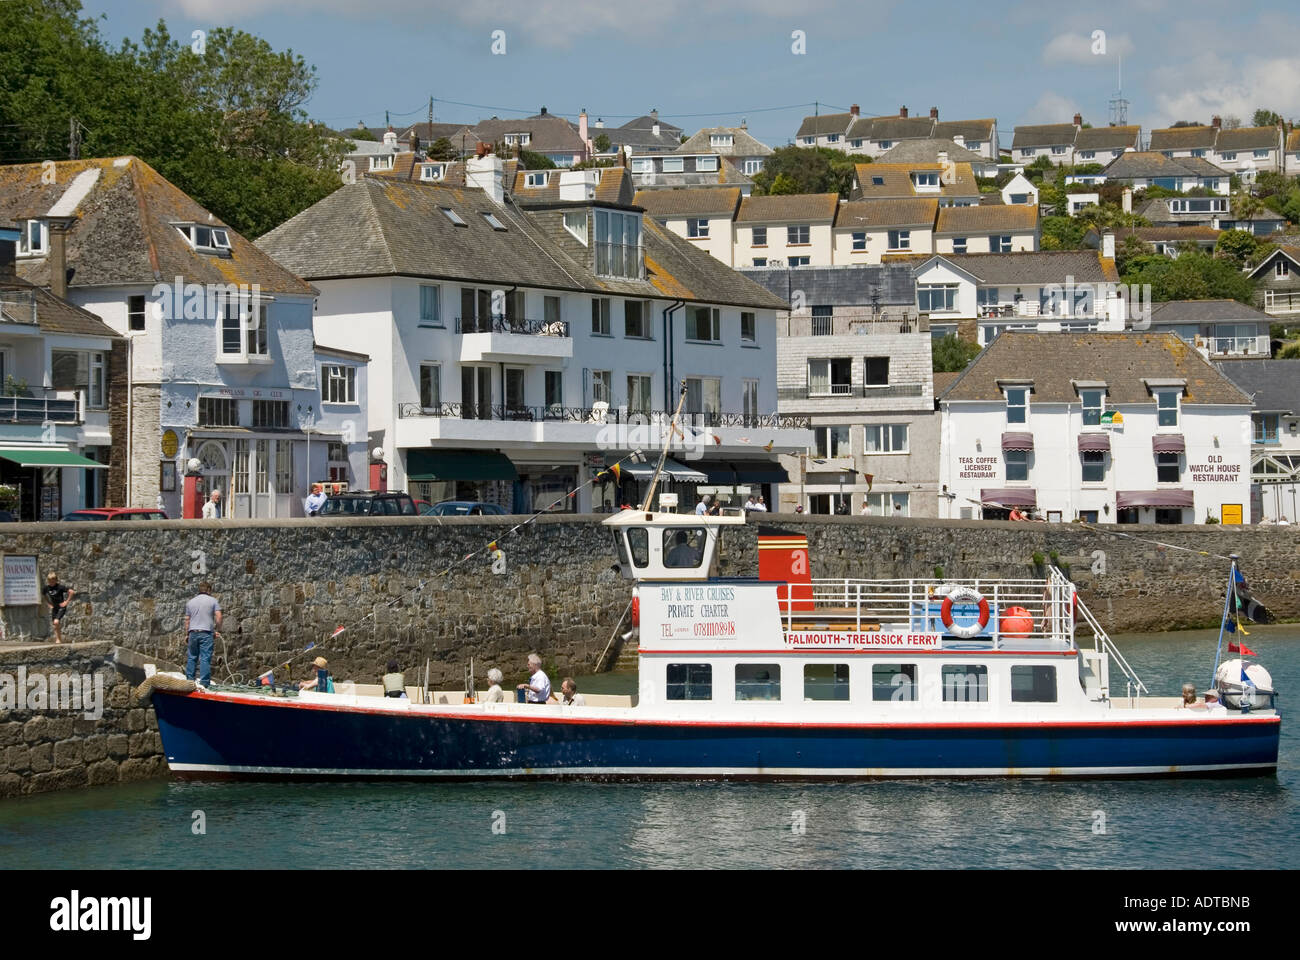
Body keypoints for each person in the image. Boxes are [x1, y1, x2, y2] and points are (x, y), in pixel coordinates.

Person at [183, 582, 222, 689]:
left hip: (193, 632)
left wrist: (187, 634)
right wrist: (217, 630)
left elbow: (187, 620)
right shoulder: (213, 601)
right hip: (206, 633)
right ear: (208, 590)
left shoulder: (190, 602)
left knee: (192, 657)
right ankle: (204, 683)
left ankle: (189, 681)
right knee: (205, 658)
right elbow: (218, 617)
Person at [44, 572, 74, 644]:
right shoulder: (46, 588)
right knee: (55, 625)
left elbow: (72, 592)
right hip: (55, 607)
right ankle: (58, 639)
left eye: (53, 581)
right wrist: (48, 603)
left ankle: (58, 640)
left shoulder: (60, 587)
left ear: (56, 580)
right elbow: (43, 595)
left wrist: (66, 602)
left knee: (56, 622)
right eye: (50, 581)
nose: (51, 583)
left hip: (61, 607)